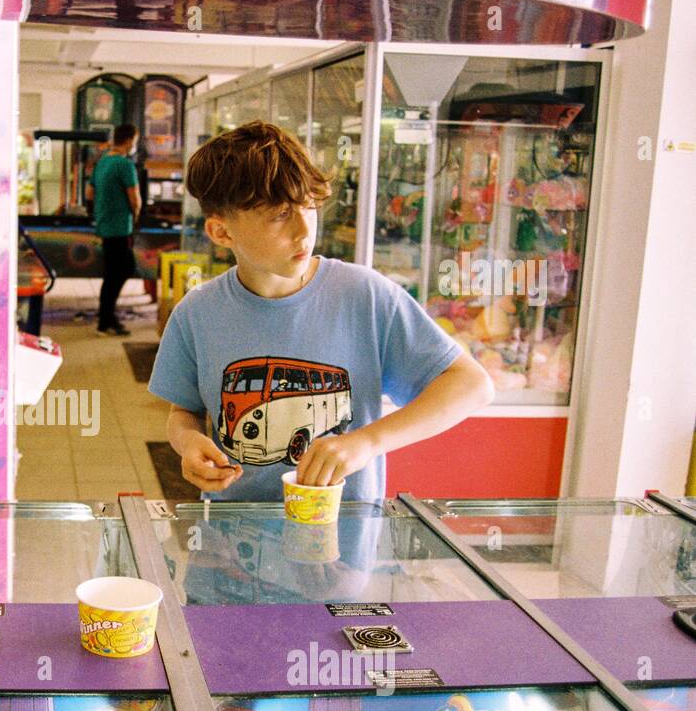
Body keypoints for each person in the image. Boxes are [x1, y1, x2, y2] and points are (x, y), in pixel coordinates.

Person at [149, 121, 494, 500]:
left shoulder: (365, 296)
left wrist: (366, 442)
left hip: (341, 538)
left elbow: (472, 385)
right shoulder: (197, 314)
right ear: (221, 233)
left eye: (309, 207)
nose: (303, 231)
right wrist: (188, 444)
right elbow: (183, 413)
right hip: (229, 541)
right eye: (280, 215)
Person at [86, 123, 141, 336]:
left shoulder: (102, 162)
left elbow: (90, 193)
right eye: (135, 141)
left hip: (105, 226)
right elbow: (135, 199)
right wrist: (135, 215)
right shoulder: (125, 165)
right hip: (120, 228)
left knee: (116, 272)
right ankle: (105, 321)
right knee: (120, 272)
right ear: (128, 141)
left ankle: (107, 317)